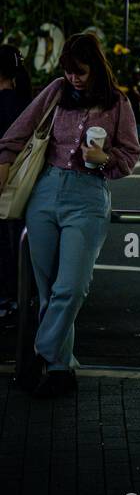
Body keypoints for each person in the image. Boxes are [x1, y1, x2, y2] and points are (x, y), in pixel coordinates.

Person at [0, 33, 140, 397]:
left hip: (88, 194)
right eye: (69, 71)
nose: (74, 78)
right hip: (45, 191)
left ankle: (39, 352)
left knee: (72, 287)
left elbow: (130, 154)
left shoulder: (116, 103)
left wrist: (105, 160)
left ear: (95, 66)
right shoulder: (56, 92)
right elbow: (16, 134)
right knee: (46, 290)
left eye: (80, 71)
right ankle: (60, 369)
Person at [0, 45, 34, 322]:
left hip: (4, 183)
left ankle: (10, 299)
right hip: (25, 186)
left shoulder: (4, 104)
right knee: (21, 243)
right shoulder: (27, 103)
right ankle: (22, 299)